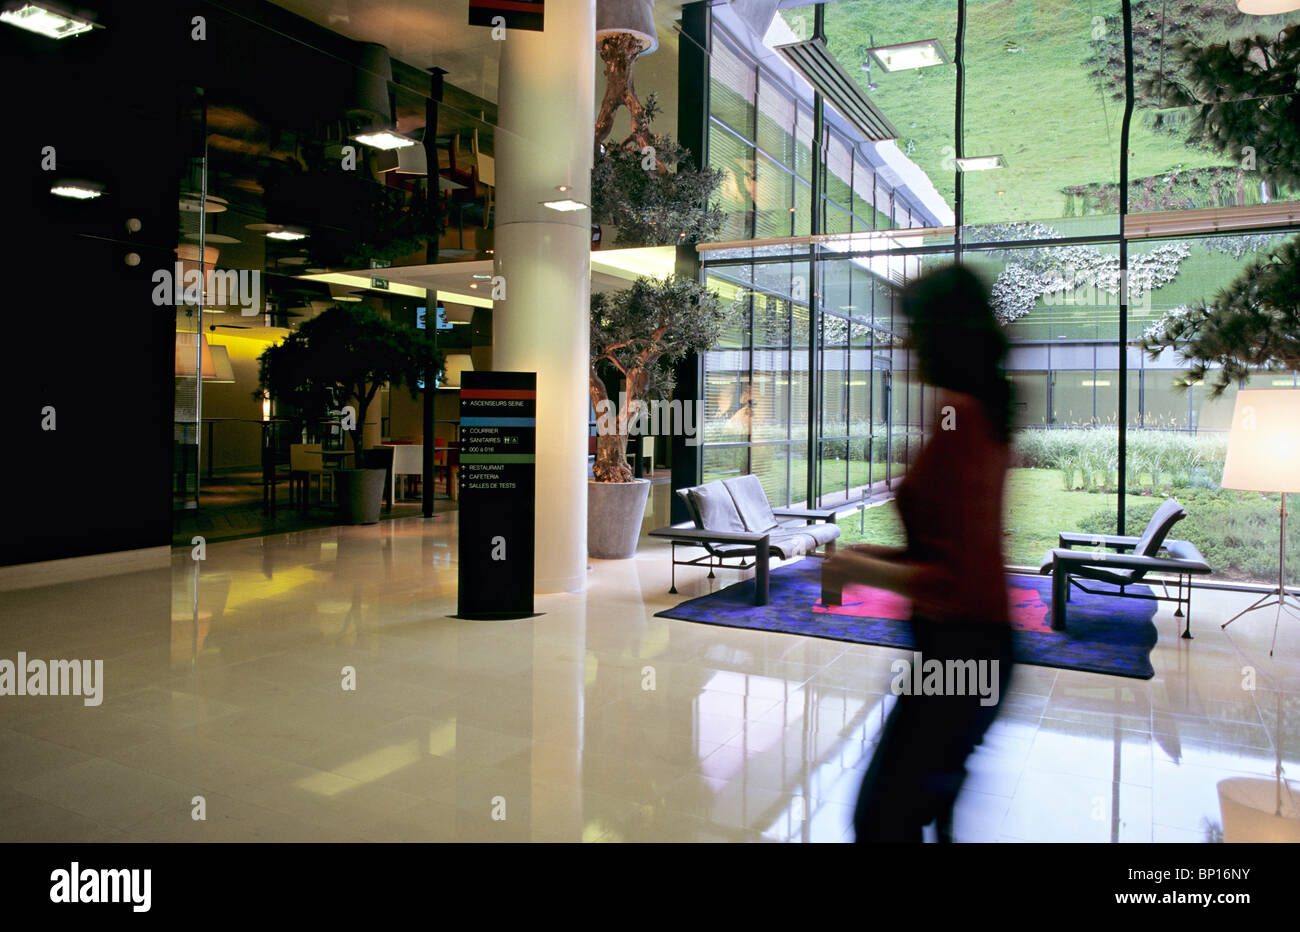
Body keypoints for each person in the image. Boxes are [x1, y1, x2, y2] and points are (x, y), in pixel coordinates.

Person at [822, 264, 1015, 843]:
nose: (902, 342)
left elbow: (956, 581)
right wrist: (874, 556)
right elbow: (943, 548)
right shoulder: (971, 410)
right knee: (897, 812)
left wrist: (858, 568)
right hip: (959, 649)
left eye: (911, 328)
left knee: (880, 820)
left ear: (940, 334)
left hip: (963, 651)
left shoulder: (964, 420)